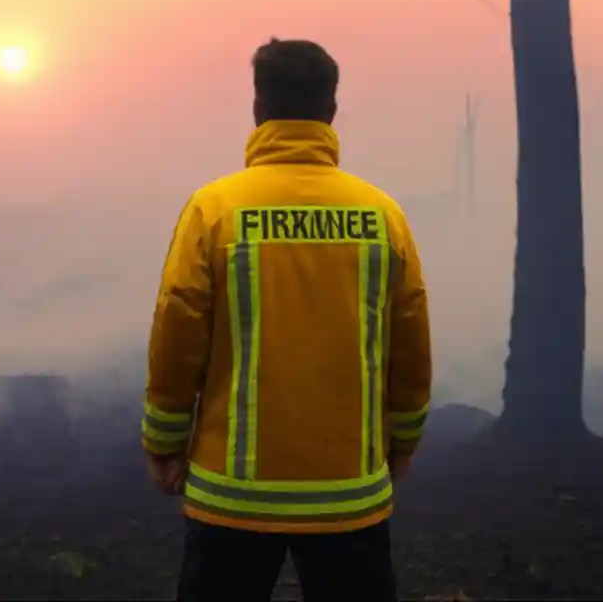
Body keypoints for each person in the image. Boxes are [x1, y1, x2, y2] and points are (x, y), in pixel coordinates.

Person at [142, 38, 433, 602]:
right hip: (349, 497)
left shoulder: (215, 210)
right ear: (331, 110)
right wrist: (403, 440)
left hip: (233, 498)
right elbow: (411, 339)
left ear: (258, 107)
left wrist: (163, 443)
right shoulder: (382, 215)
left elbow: (178, 331)